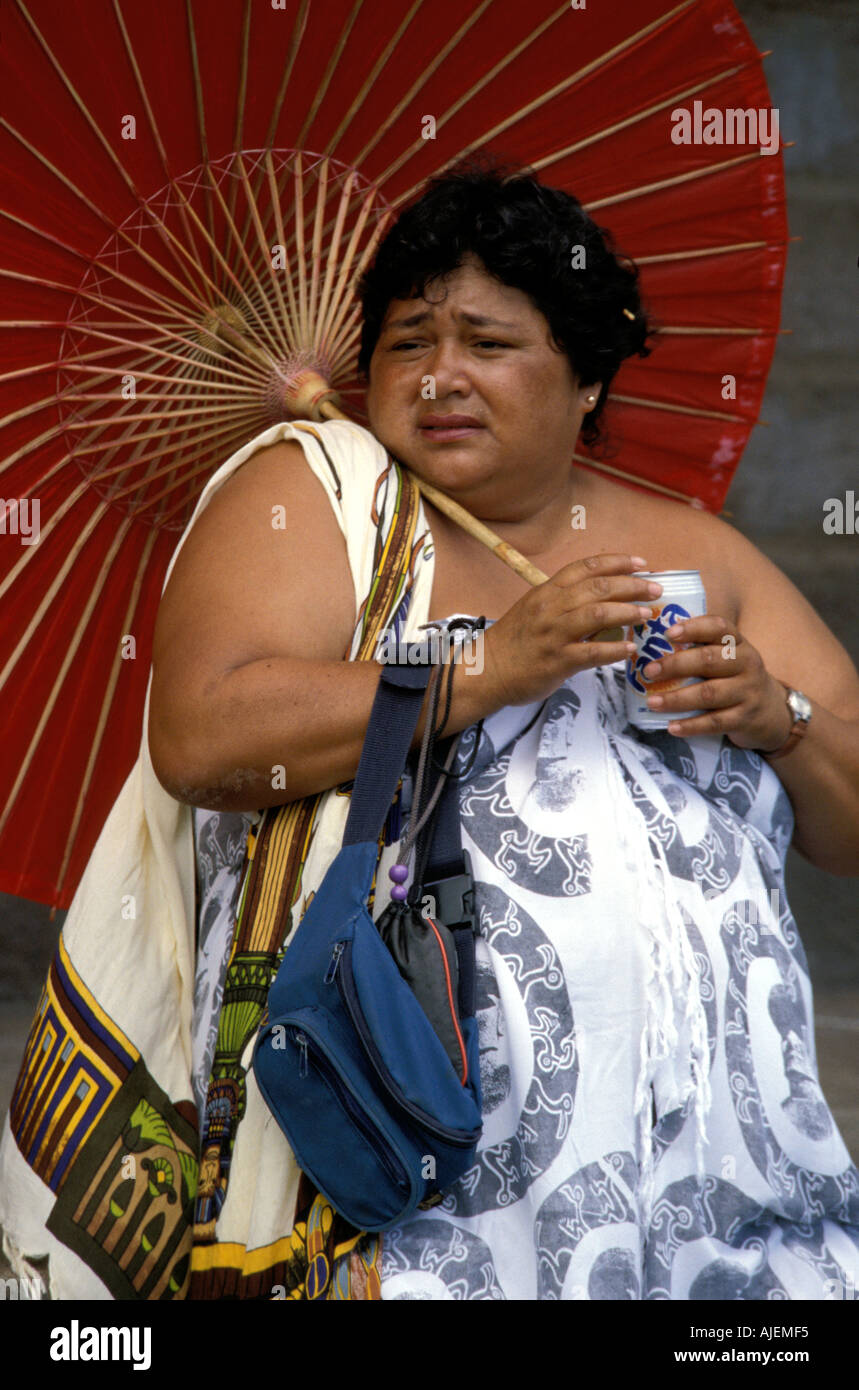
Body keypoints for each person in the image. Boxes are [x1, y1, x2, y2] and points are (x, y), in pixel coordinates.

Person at [128, 159, 859, 1298]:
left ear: (584, 381)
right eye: (410, 341)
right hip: (418, 1180)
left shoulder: (697, 552)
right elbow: (202, 734)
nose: (440, 376)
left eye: (487, 342)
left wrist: (779, 716)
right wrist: (485, 665)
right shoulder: (314, 503)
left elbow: (850, 815)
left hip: (725, 1207)